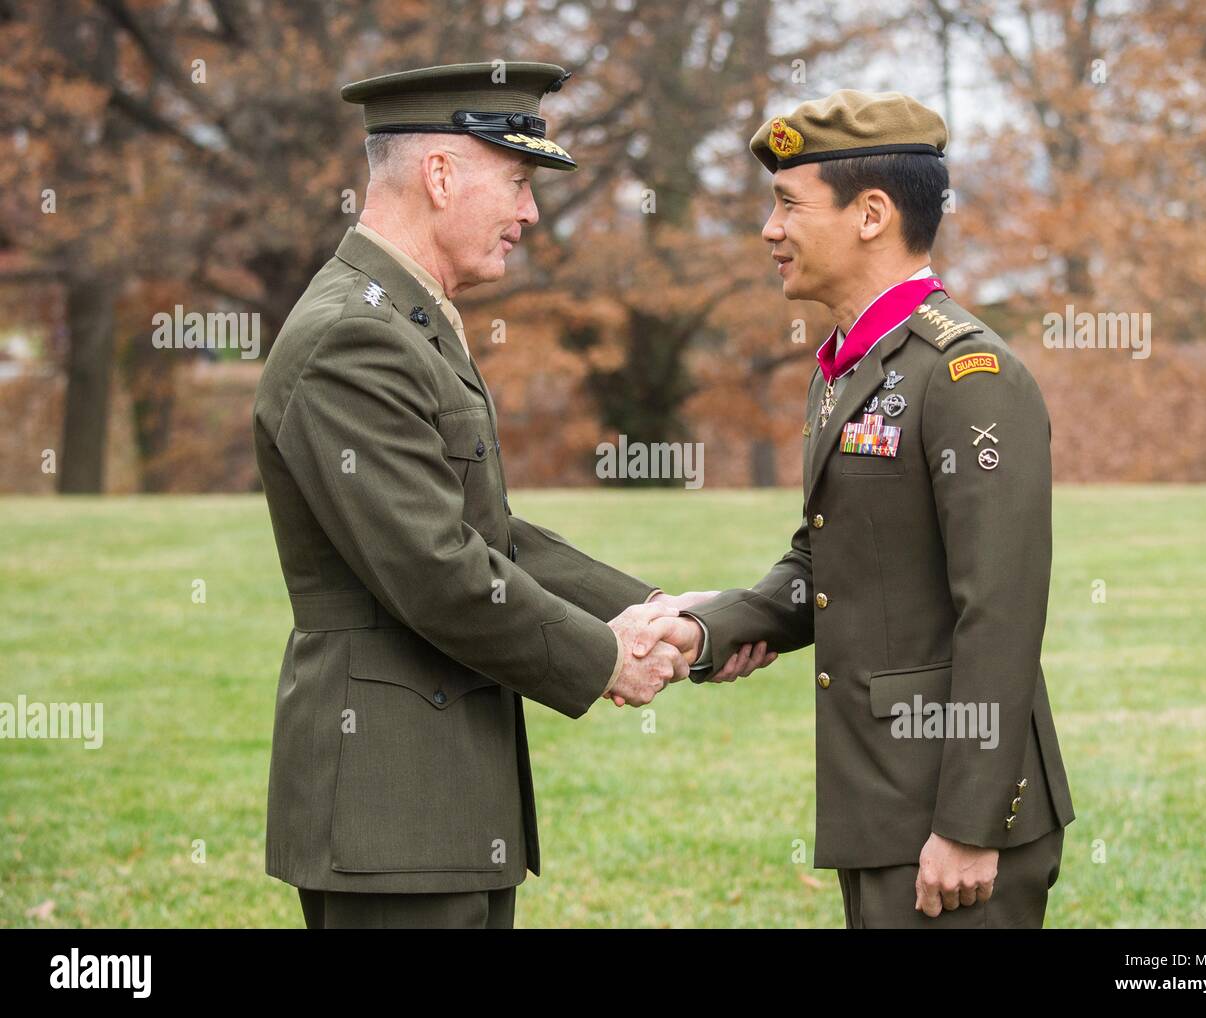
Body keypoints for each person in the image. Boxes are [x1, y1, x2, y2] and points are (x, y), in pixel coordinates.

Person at [252, 61, 770, 930]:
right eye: (519, 182)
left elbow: (488, 535)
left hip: (436, 798)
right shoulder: (354, 336)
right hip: (390, 805)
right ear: (439, 175)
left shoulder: (405, 319)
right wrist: (607, 656)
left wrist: (656, 609)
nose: (530, 213)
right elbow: (435, 569)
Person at [676, 90, 1075, 928]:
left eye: (788, 205)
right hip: (881, 804)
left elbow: (1000, 611)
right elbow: (825, 561)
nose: (769, 230)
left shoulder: (965, 376)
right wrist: (709, 626)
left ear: (871, 215)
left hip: (950, 820)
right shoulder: (848, 370)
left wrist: (969, 826)